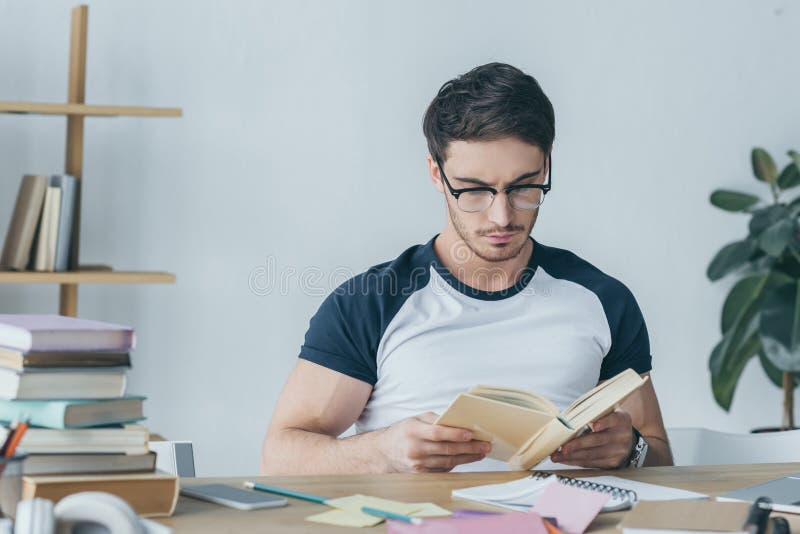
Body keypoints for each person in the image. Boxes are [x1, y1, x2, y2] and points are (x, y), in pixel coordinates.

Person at [261, 62, 672, 475]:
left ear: (546, 166)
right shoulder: (371, 304)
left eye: (522, 187)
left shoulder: (602, 300)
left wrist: (631, 449)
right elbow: (277, 459)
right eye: (475, 190)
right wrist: (383, 452)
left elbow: (660, 461)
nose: (501, 216)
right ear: (436, 174)